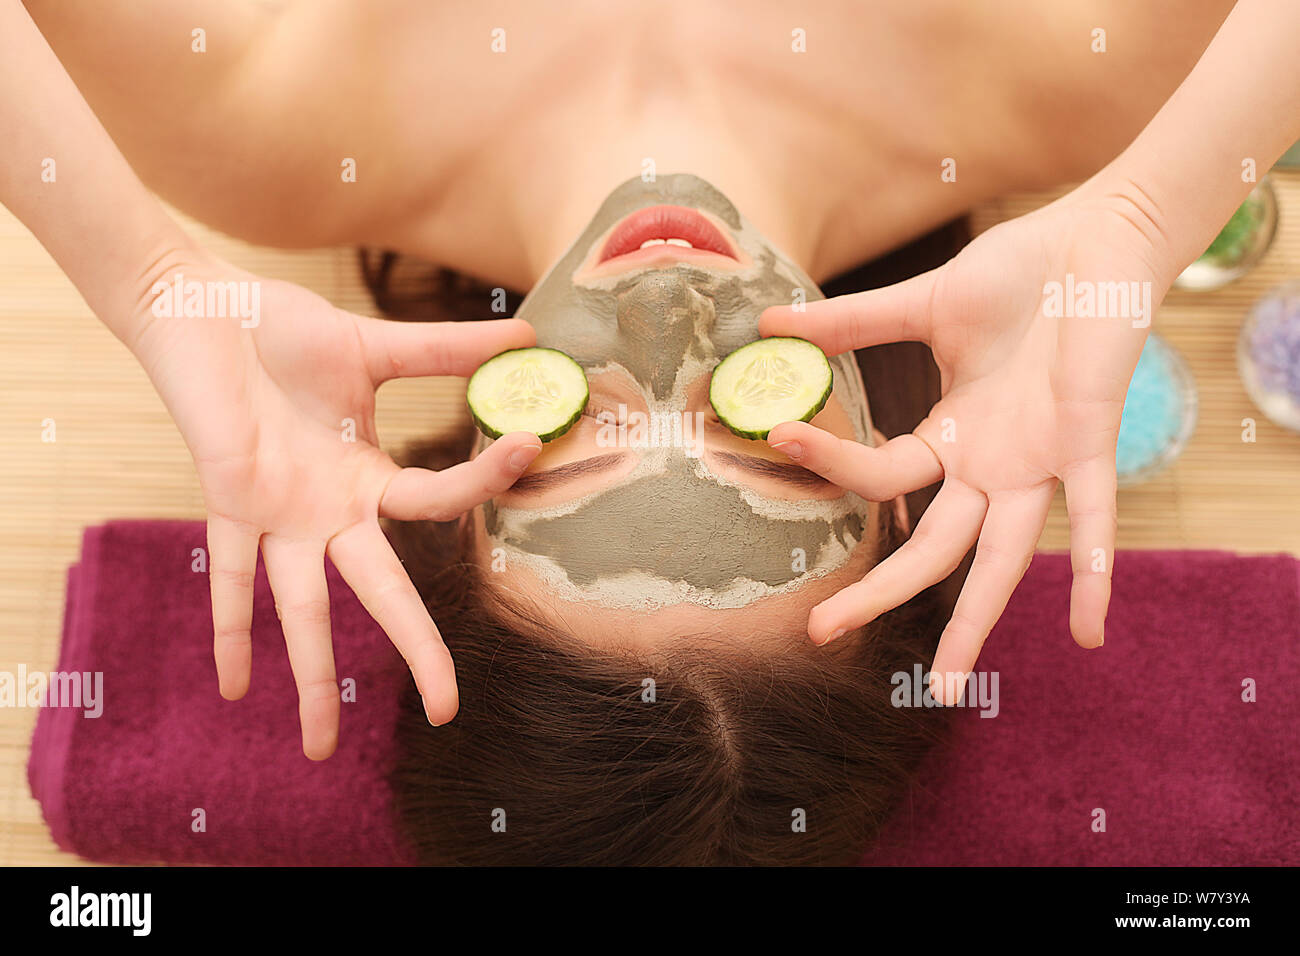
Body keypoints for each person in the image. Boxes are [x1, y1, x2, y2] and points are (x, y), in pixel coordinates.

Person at [3, 0, 1296, 805]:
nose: (674, 343)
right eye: (768, 449)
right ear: (898, 477)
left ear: (452, 487)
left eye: (581, 449)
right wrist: (1145, 207)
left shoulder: (263, 140)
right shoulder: (1100, 80)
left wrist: (150, 276)